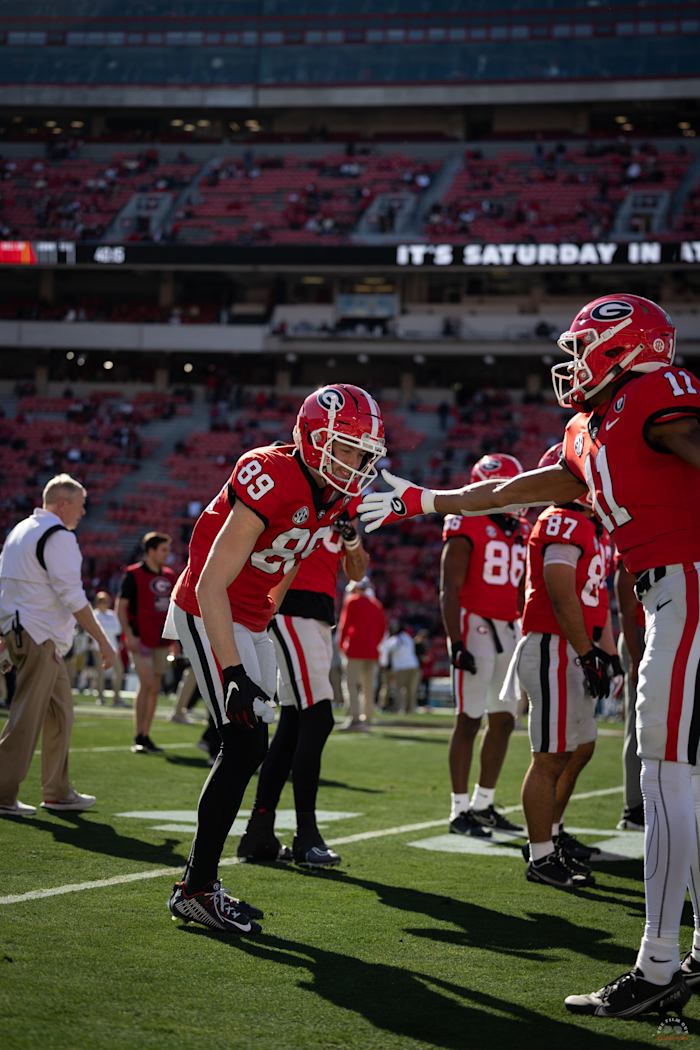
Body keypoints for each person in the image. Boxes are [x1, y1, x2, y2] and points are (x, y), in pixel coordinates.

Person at [358, 293, 697, 1019]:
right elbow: (513, 489)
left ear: (624, 349)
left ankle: (660, 964)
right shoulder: (591, 429)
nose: (571, 364)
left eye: (582, 348)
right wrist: (427, 500)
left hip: (688, 583)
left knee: (668, 777)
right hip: (670, 589)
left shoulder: (655, 393)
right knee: (684, 780)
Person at [164, 384, 386, 934]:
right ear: (314, 441)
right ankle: (196, 888)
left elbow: (289, 558)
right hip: (207, 606)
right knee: (241, 742)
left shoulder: (330, 495)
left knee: (251, 745)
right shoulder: (271, 472)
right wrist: (235, 670)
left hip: (249, 614)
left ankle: (200, 882)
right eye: (349, 448)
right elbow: (211, 579)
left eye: (364, 452)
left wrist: (264, 617)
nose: (358, 463)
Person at [237, 503, 369, 868]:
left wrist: (351, 536)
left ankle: (259, 831)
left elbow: (356, 572)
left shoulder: (344, 507)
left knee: (294, 724)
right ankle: (306, 835)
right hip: (290, 608)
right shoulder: (304, 493)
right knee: (319, 716)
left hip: (317, 614)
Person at [0, 474, 115, 816]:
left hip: (26, 632)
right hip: (41, 636)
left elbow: (6, 585)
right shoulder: (59, 536)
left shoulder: (20, 530)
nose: (83, 512)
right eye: (80, 505)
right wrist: (103, 640)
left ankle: (57, 790)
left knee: (61, 712)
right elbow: (72, 595)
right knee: (26, 717)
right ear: (63, 504)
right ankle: (3, 792)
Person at [440, 453, 528, 839]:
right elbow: (450, 588)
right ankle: (460, 810)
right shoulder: (466, 521)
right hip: (473, 624)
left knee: (505, 718)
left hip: (509, 626)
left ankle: (484, 803)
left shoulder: (521, 529)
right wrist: (455, 641)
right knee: (469, 717)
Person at [116, 531, 175, 754]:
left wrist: (174, 640)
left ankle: (145, 734)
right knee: (148, 683)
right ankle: (139, 734)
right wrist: (128, 634)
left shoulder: (169, 575)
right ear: (150, 551)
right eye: (163, 550)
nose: (167, 554)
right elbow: (120, 608)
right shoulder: (133, 574)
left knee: (154, 687)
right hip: (140, 638)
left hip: (161, 639)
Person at [614, 556, 645, 831]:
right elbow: (625, 606)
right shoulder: (638, 538)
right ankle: (634, 807)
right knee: (638, 723)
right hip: (643, 633)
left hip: (675, 629)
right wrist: (636, 658)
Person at [337, 577, 386, 729]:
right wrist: (374, 644)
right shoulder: (376, 605)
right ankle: (368, 717)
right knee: (368, 686)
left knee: (351, 684)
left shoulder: (352, 601)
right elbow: (382, 629)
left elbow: (344, 626)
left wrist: (341, 645)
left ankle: (355, 717)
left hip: (355, 650)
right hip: (372, 652)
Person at [92, 591, 126, 707]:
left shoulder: (112, 615)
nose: (104, 603)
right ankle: (100, 697)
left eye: (106, 601)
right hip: (98, 647)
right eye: (101, 601)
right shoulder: (94, 614)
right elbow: (95, 631)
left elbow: (118, 629)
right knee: (100, 672)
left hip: (113, 647)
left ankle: (117, 697)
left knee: (119, 670)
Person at [382, 619, 421, 716]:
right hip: (414, 666)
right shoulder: (407, 637)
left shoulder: (395, 639)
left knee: (399, 689)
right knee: (411, 690)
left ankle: (398, 709)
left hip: (402, 668)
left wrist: (384, 664)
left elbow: (384, 648)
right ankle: (410, 710)